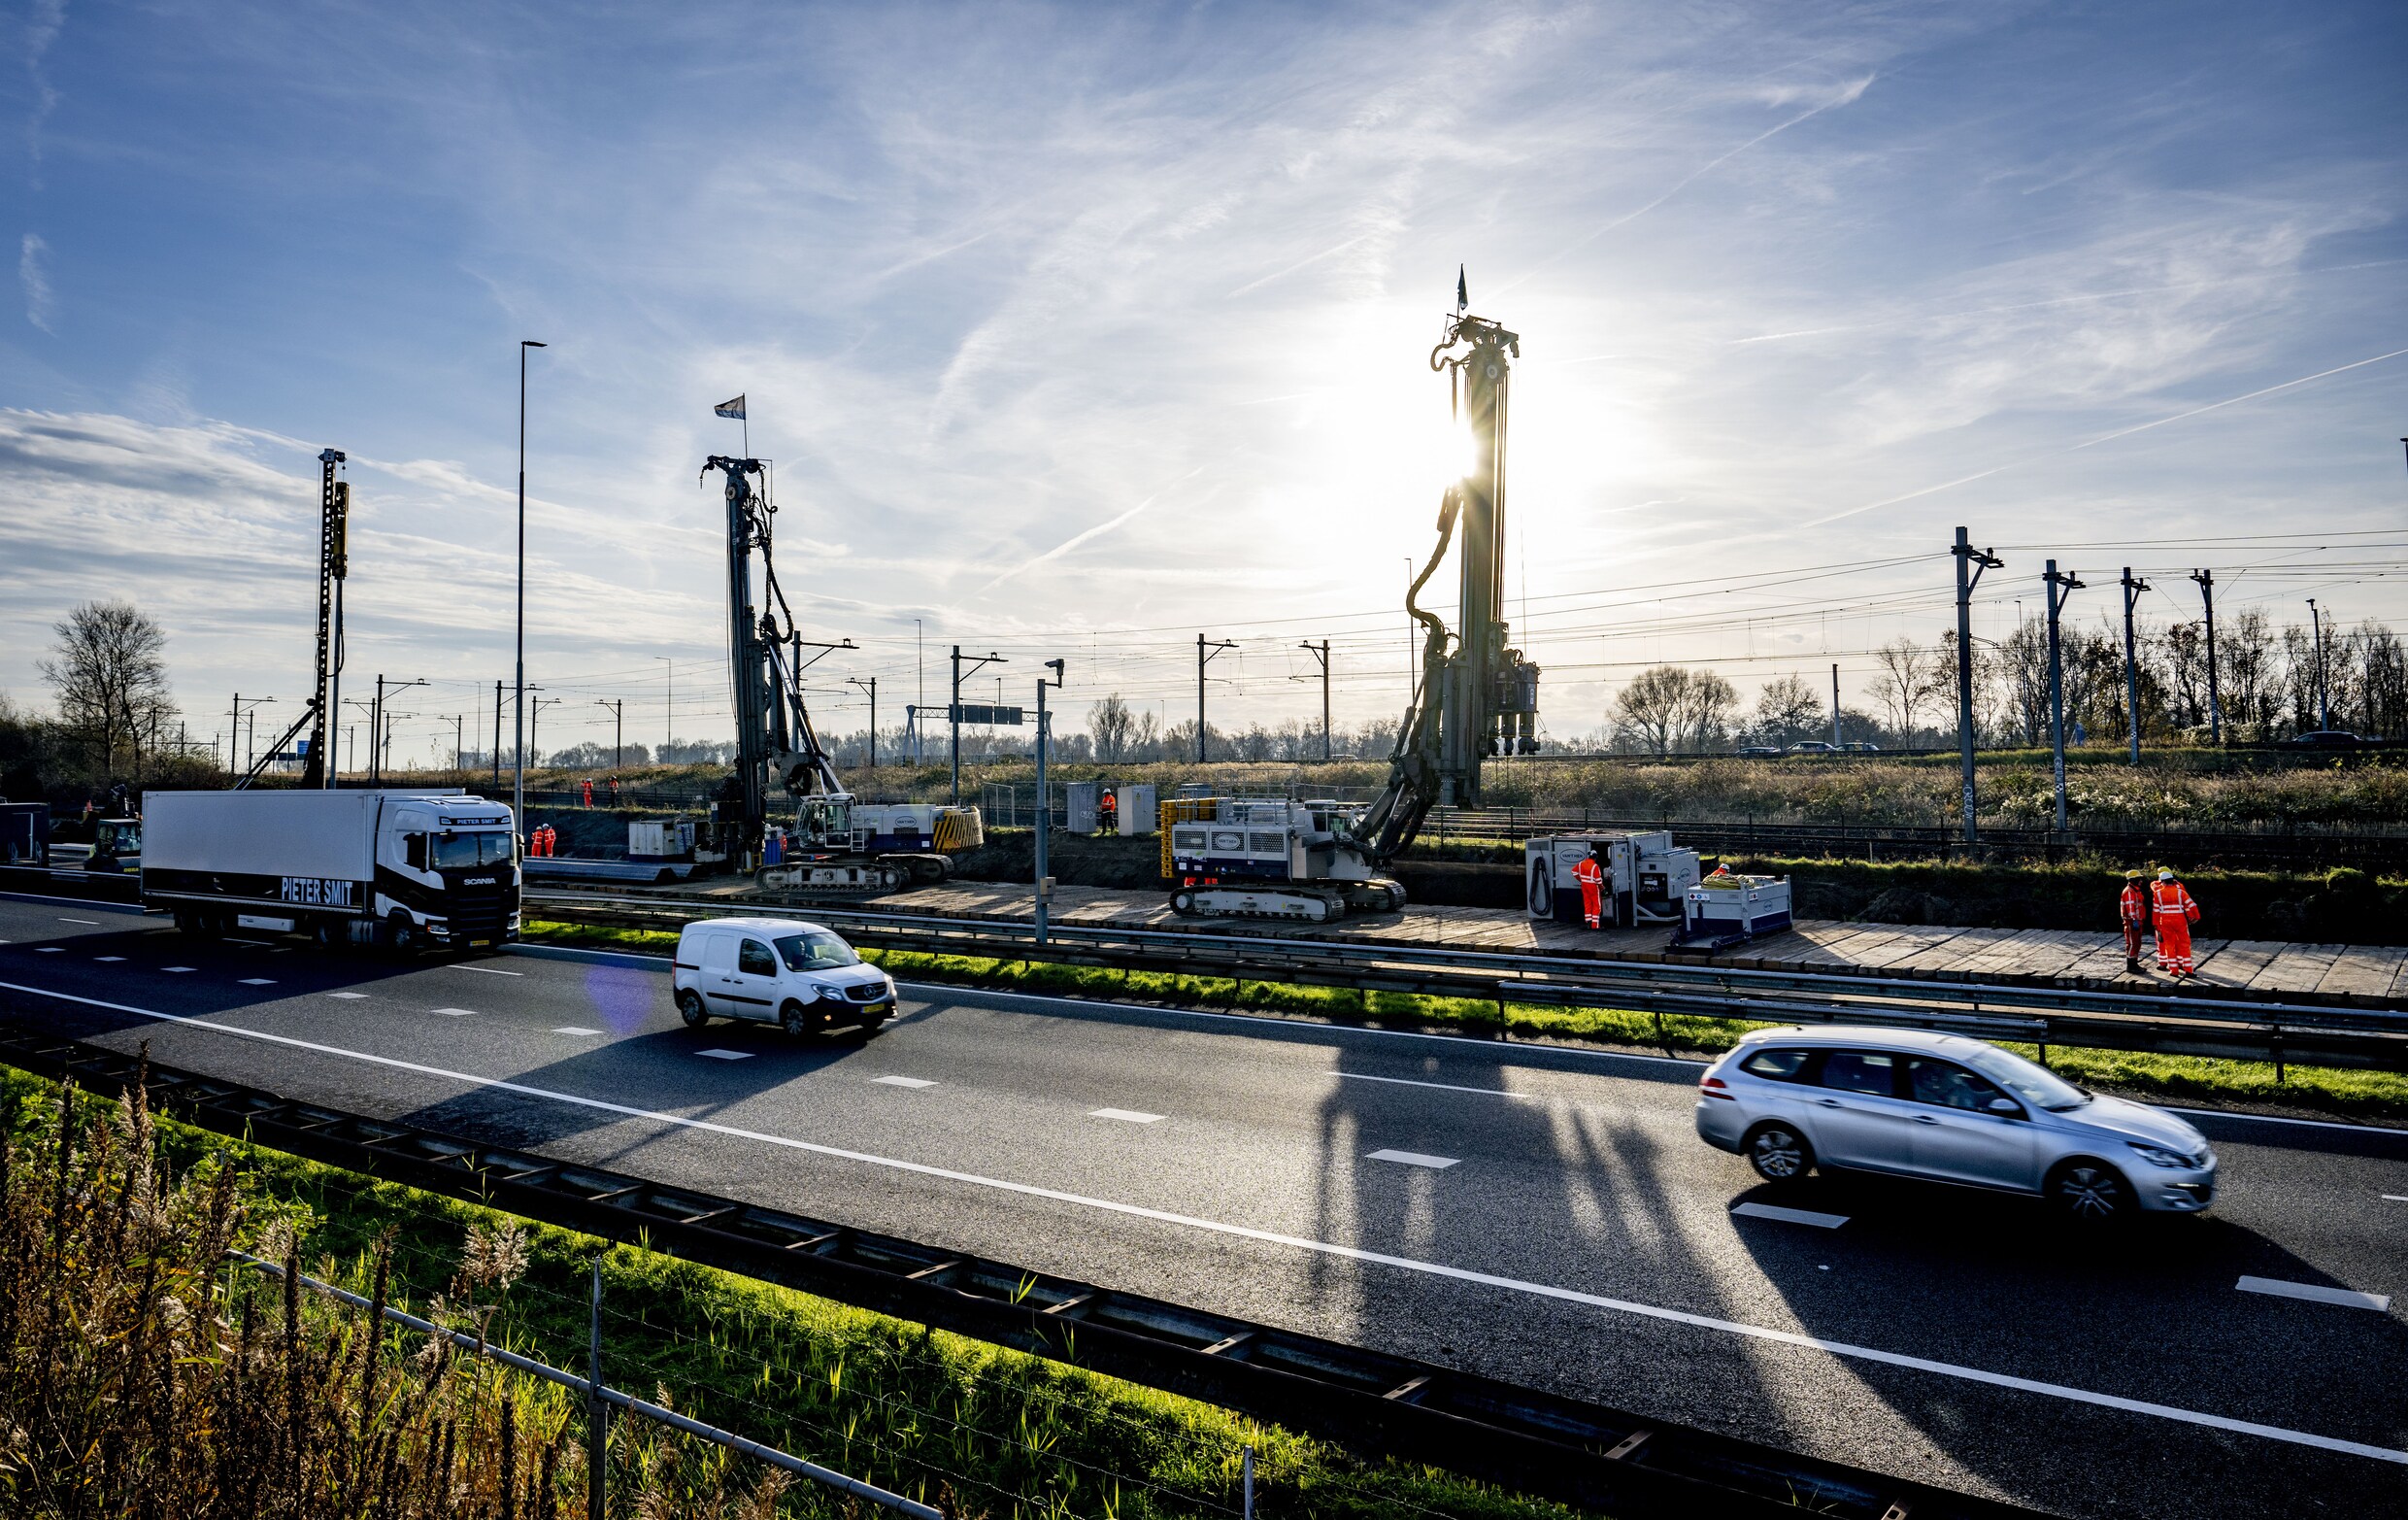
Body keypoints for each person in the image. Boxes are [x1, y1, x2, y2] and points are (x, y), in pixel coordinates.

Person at [2149, 867, 2200, 977]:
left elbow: (2155, 911)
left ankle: (2173, 971)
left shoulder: (2157, 894)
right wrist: (2196, 917)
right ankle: (2189, 971)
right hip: (2180, 921)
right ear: (2172, 880)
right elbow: (2192, 905)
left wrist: (2156, 926)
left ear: (2162, 882)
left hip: (2166, 922)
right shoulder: (2180, 892)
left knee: (2169, 946)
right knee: (2185, 944)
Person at [2120, 869, 2150, 974]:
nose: (2141, 881)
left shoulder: (2134, 890)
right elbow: (2130, 907)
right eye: (2139, 879)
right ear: (2133, 880)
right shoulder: (2129, 891)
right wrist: (2134, 920)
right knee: (2132, 943)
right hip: (2132, 922)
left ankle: (2134, 964)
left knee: (2136, 943)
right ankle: (2131, 966)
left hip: (2136, 921)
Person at [1573, 845, 1605, 929]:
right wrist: (1602, 888)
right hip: (1593, 887)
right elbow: (1598, 880)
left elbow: (1574, 872)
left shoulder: (1580, 864)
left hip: (1584, 886)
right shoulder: (1595, 866)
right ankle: (1595, 925)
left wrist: (1581, 880)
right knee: (1596, 905)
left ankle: (1588, 923)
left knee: (1587, 903)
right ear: (1595, 857)